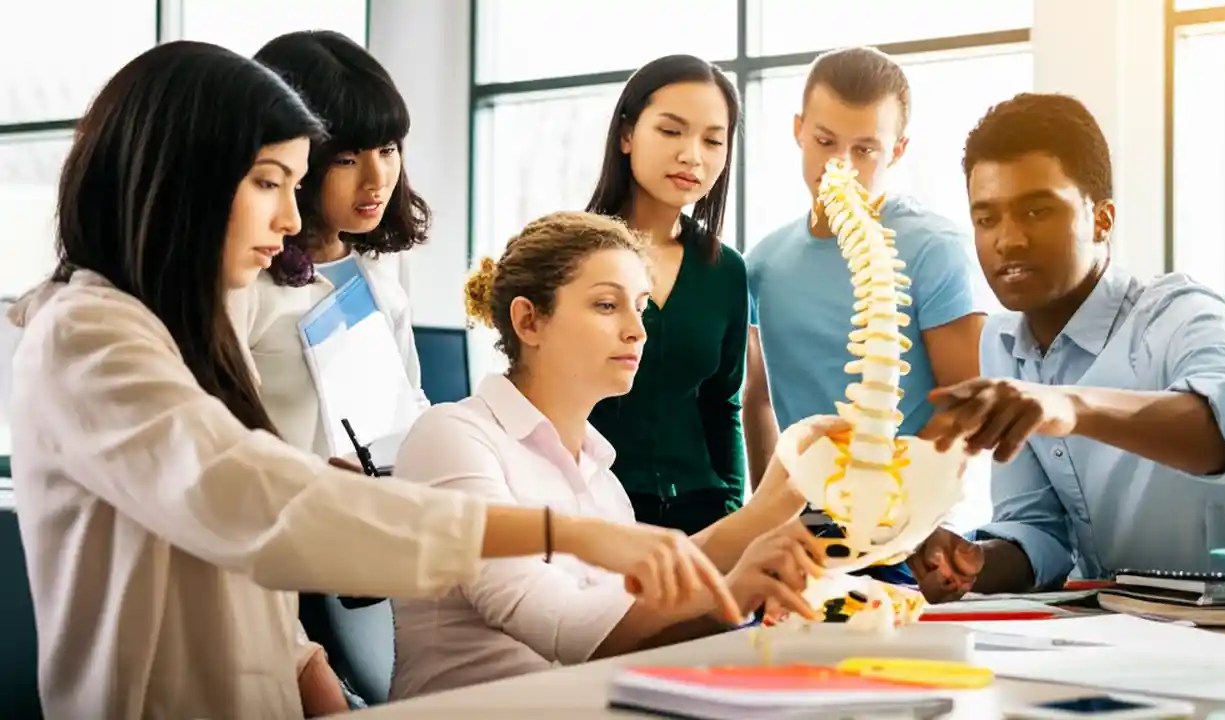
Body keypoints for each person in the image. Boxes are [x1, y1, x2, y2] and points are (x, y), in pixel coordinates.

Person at [6, 42, 738, 720]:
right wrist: (555, 532)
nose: (291, 216)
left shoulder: (189, 339)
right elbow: (255, 502)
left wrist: (310, 674)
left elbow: (233, 555)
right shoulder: (87, 337)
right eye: (269, 183)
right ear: (179, 177)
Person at [390, 211, 841, 697]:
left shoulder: (601, 477)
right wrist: (730, 593)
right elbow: (564, 628)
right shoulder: (454, 437)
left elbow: (635, 618)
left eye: (641, 308)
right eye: (607, 305)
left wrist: (780, 516)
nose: (637, 331)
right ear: (529, 321)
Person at [908, 93, 1225, 602]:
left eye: (1036, 210)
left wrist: (1069, 406)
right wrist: (968, 564)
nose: (1008, 240)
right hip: (1121, 632)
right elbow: (1039, 532)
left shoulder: (1181, 312)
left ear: (1102, 220)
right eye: (986, 218)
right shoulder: (1001, 343)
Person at [744, 46, 987, 488]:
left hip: (899, 522)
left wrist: (889, 505)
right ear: (798, 131)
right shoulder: (762, 263)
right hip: (794, 523)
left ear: (897, 150)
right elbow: (758, 396)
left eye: (865, 149)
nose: (841, 165)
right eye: (824, 141)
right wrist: (762, 515)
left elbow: (967, 404)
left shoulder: (935, 249)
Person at [229, 30, 430, 460]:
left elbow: (408, 407)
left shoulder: (385, 275)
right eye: (347, 159)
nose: (377, 179)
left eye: (388, 149)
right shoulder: (244, 283)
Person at [584, 55, 748, 535]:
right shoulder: (571, 253)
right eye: (672, 131)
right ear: (626, 134)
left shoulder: (725, 270)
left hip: (703, 517)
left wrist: (733, 511)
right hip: (594, 514)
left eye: (713, 140)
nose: (693, 155)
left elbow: (723, 405)